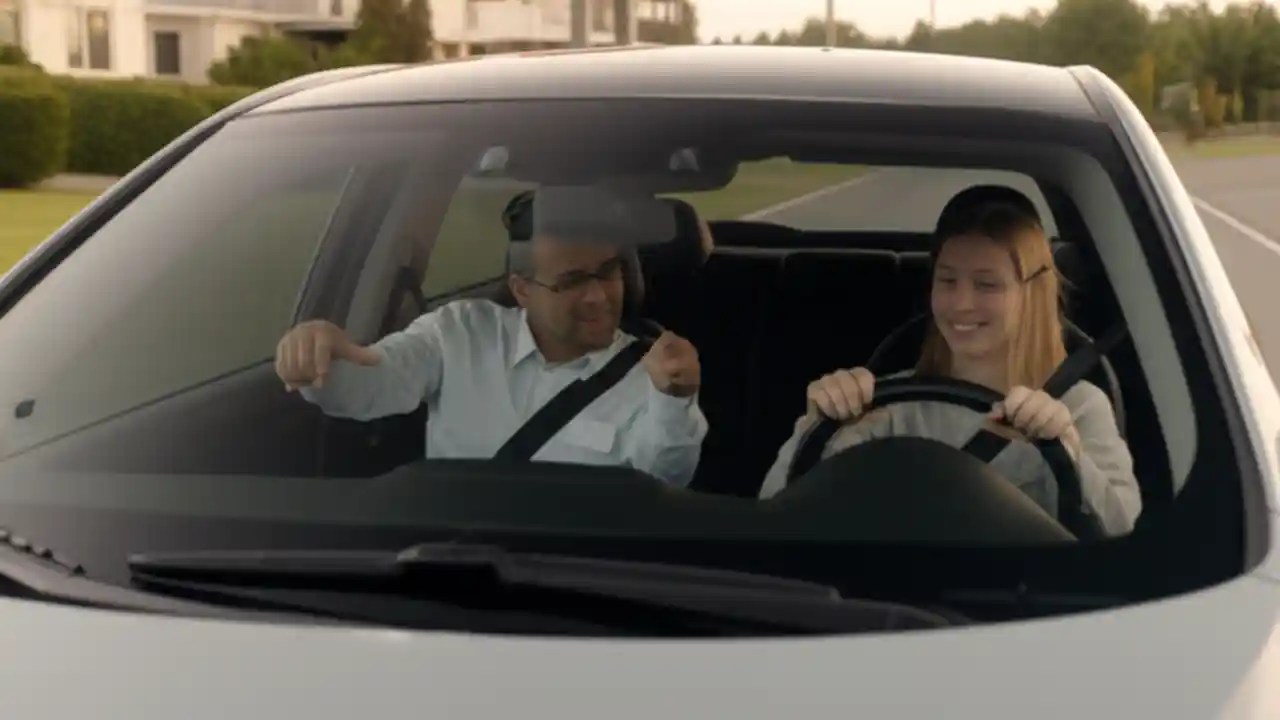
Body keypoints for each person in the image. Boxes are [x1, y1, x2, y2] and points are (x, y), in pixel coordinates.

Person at [759, 199, 1142, 536]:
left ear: (1031, 293)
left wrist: (1070, 450)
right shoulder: (886, 407)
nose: (961, 304)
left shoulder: (1079, 406)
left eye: (987, 285)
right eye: (947, 281)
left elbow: (1121, 529)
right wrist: (815, 428)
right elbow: (776, 508)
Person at [274, 227, 710, 488]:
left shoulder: (650, 372)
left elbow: (666, 480)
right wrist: (319, 360)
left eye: (608, 273)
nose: (598, 296)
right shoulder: (459, 333)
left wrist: (674, 399)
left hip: (582, 582)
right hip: (446, 567)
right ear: (522, 290)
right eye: (573, 281)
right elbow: (376, 386)